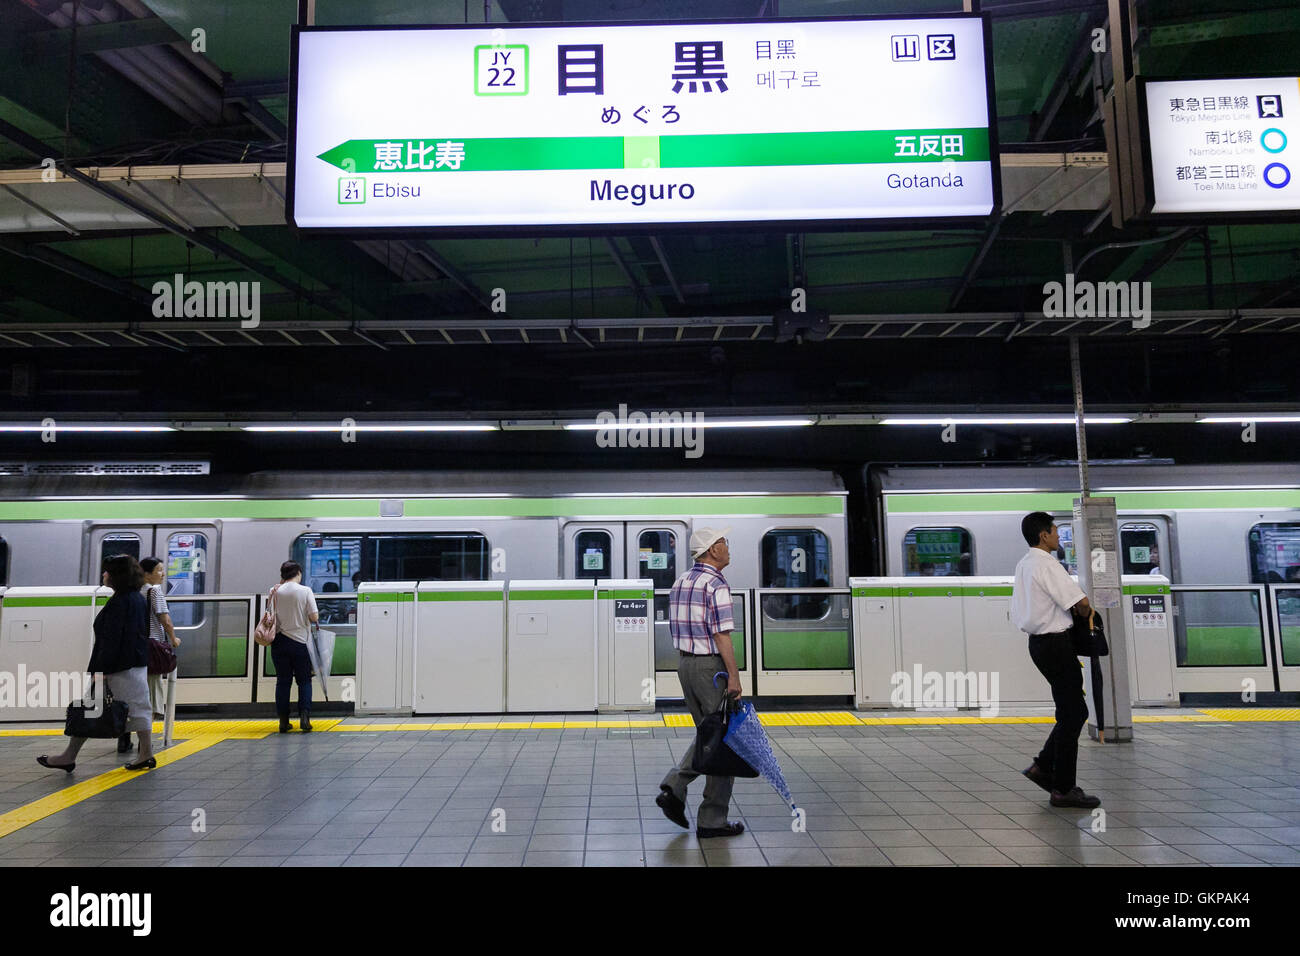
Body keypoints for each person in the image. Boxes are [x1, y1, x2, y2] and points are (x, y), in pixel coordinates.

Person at [655, 527, 745, 839]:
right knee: (722, 739)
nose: (727, 547)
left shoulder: (681, 581)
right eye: (723, 542)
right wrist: (733, 675)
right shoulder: (716, 583)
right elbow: (721, 634)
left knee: (710, 735)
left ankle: (678, 791)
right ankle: (708, 817)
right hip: (711, 668)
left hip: (686, 666)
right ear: (711, 549)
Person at [1010, 512, 1101, 809]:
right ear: (1043, 536)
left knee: (1071, 711)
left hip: (1039, 644)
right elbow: (1081, 602)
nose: (1058, 537)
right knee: (1074, 713)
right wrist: (1086, 615)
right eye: (1055, 531)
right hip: (1055, 644)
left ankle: (1043, 769)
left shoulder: (1025, 564)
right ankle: (1062, 788)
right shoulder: (1047, 565)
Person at [39, 554, 156, 773]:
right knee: (122, 707)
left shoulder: (121, 602)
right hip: (132, 664)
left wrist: (100, 671)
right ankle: (144, 753)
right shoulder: (136, 598)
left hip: (119, 668)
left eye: (107, 571)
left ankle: (70, 756)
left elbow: (112, 640)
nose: (104, 574)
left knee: (105, 708)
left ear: (117, 575)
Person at [119, 557, 180, 754]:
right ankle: (144, 745)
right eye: (159, 570)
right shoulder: (154, 591)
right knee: (151, 697)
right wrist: (173, 638)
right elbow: (165, 619)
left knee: (132, 695)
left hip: (132, 650)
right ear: (146, 573)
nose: (162, 574)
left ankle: (124, 738)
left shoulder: (133, 592)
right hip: (151, 650)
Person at [270, 560, 319, 733]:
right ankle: (304, 718)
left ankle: (283, 721)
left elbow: (270, 615)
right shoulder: (305, 591)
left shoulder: (274, 591)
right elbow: (314, 617)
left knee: (283, 682)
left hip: (279, 642)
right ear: (298, 573)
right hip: (300, 643)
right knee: (304, 681)